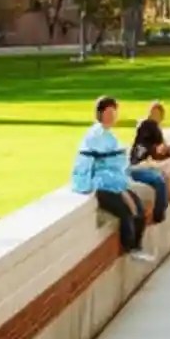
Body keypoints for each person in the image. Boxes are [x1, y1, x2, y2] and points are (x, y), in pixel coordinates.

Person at [71, 96, 155, 262]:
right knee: (125, 211)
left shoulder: (109, 135)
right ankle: (130, 247)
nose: (111, 116)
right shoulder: (95, 136)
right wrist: (121, 190)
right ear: (100, 114)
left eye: (113, 112)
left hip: (114, 183)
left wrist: (122, 188)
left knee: (137, 205)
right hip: (99, 185)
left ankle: (137, 245)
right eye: (108, 112)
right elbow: (101, 167)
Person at [130, 101, 170, 202]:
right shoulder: (150, 125)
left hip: (142, 161)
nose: (155, 117)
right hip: (143, 162)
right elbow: (158, 150)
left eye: (157, 114)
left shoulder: (146, 127)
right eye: (154, 113)